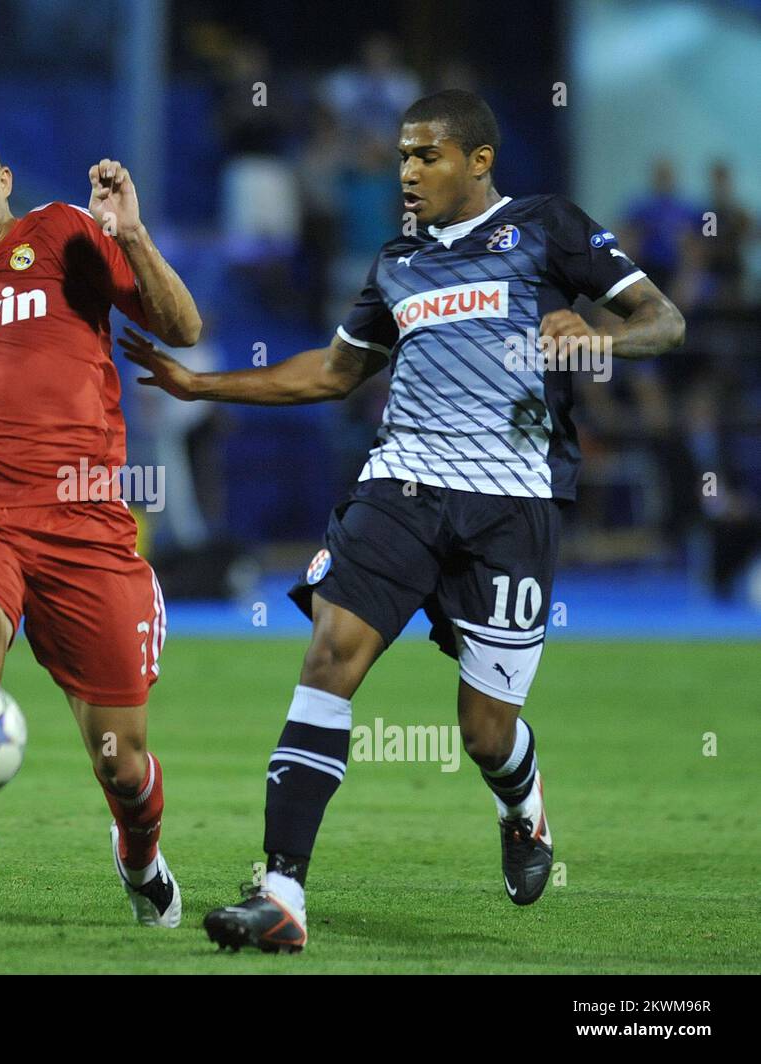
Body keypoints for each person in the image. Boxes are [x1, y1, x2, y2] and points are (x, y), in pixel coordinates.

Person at [123, 89, 685, 952]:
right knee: (329, 658)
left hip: (512, 505)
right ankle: (281, 893)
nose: (408, 172)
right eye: (402, 156)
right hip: (401, 487)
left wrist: (595, 339)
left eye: (426, 155)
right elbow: (334, 373)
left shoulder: (547, 227)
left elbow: (664, 320)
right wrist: (204, 384)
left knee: (484, 730)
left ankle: (521, 804)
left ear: (479, 160)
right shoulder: (397, 262)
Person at [0, 124, 201, 922]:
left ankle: (140, 857)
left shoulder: (64, 232)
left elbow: (182, 328)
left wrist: (130, 235)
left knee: (125, 765)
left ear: (3, 180)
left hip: (83, 527)